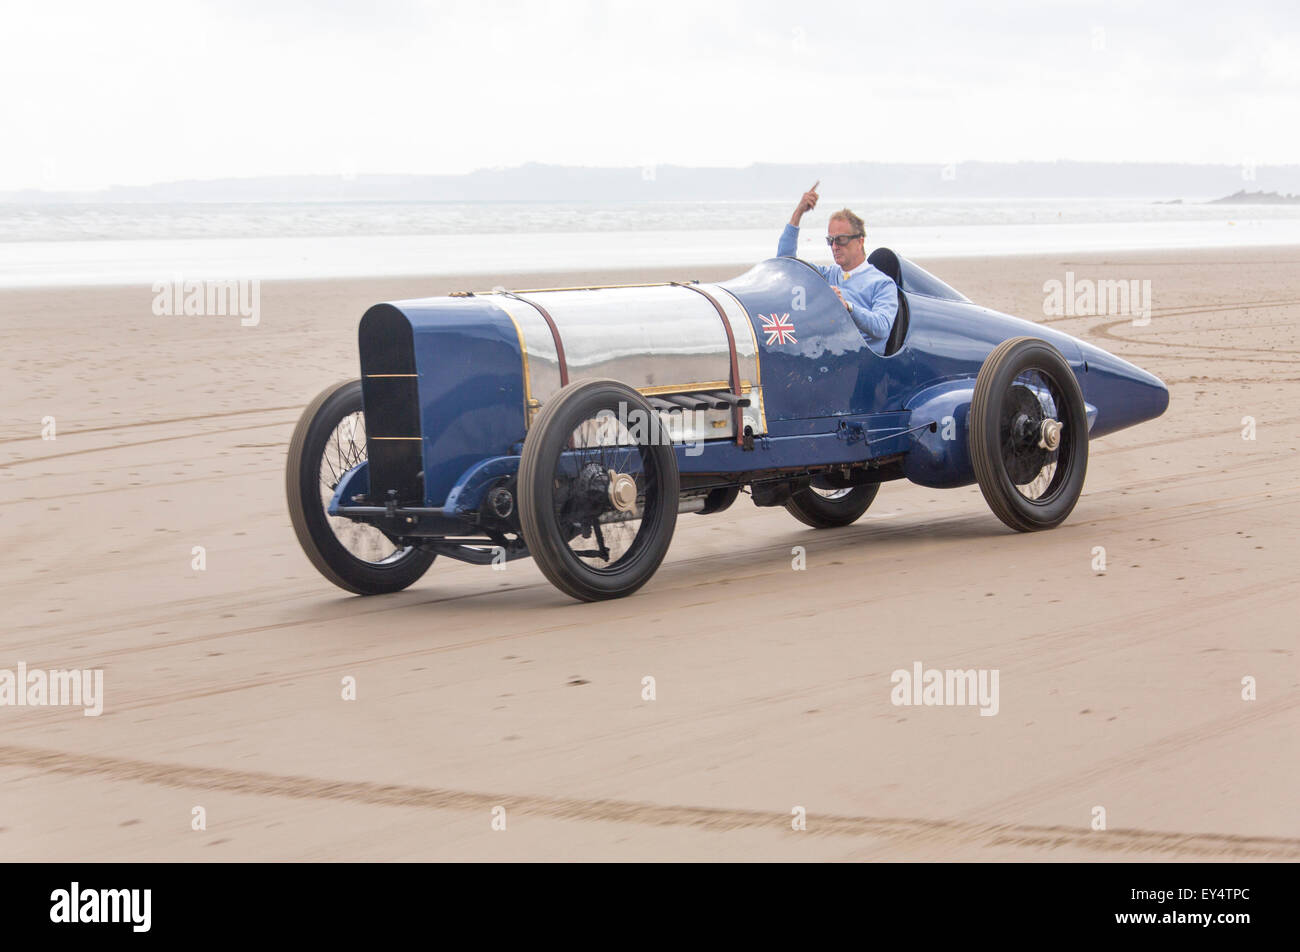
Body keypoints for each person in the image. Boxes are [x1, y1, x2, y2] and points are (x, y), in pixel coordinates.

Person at [777, 182, 898, 347]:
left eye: (841, 240)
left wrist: (847, 307)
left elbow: (882, 327)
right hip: (830, 355)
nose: (835, 247)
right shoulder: (828, 275)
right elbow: (785, 263)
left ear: (860, 241)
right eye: (831, 240)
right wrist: (798, 213)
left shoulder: (881, 283)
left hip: (863, 361)